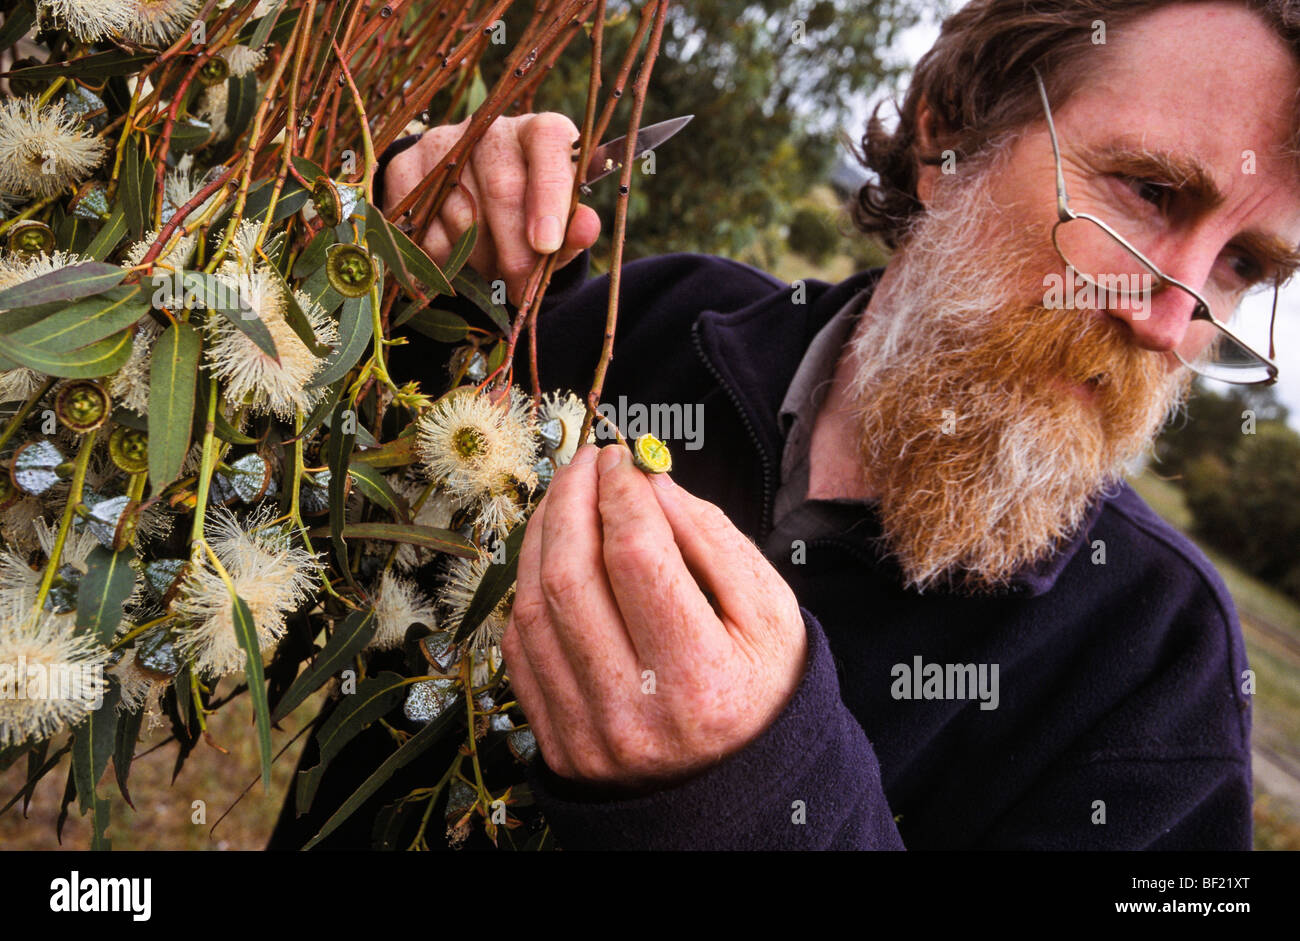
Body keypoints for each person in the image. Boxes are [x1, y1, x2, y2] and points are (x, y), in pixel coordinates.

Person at [272, 0, 1300, 849]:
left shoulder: (1161, 669)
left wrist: (760, 796)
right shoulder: (658, 321)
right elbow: (307, 498)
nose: (1171, 319)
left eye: (1244, 265)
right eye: (1149, 189)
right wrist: (408, 246)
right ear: (949, 136)